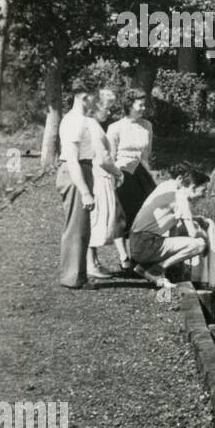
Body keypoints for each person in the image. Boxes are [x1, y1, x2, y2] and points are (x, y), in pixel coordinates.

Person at [129, 162, 212, 288]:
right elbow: (193, 233)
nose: (204, 195)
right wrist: (206, 238)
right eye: (203, 190)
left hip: (136, 242)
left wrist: (194, 219)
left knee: (182, 235)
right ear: (193, 187)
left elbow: (173, 224)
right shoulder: (180, 198)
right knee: (199, 244)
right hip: (146, 243)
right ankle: (156, 269)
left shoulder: (166, 186)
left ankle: (145, 268)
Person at [56, 88, 98, 289]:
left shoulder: (80, 119)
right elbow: (72, 159)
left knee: (82, 227)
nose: (96, 102)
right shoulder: (75, 121)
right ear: (84, 97)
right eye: (94, 98)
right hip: (76, 172)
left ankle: (77, 275)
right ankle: (72, 278)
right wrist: (85, 192)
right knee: (76, 228)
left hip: (82, 170)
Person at [107, 88, 156, 263]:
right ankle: (123, 256)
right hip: (123, 174)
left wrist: (150, 175)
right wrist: (114, 178)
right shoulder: (115, 128)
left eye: (145, 104)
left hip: (142, 173)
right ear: (129, 105)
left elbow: (147, 154)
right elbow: (110, 157)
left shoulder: (147, 126)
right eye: (140, 104)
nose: (144, 108)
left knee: (144, 214)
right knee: (122, 216)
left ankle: (140, 254)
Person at [86, 89, 128, 276]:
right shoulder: (93, 127)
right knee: (95, 219)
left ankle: (94, 262)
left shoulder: (94, 125)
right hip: (98, 176)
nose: (109, 113)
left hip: (100, 176)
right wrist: (118, 173)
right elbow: (103, 159)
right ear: (96, 107)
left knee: (97, 219)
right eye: (107, 108)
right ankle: (90, 265)